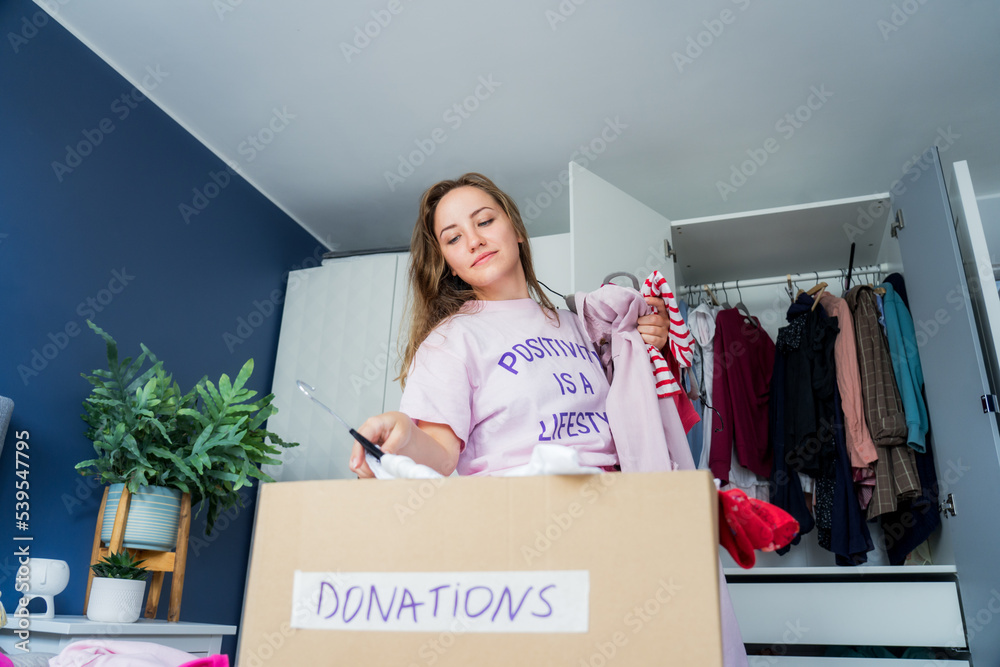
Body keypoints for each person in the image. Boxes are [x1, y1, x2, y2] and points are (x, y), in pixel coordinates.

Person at [348, 172, 672, 478]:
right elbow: (442, 457)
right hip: (518, 512)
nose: (474, 241)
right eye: (454, 238)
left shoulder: (581, 323)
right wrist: (403, 435)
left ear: (516, 230)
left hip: (619, 499)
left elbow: (635, 408)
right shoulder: (449, 341)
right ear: (451, 267)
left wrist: (651, 341)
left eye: (485, 221)